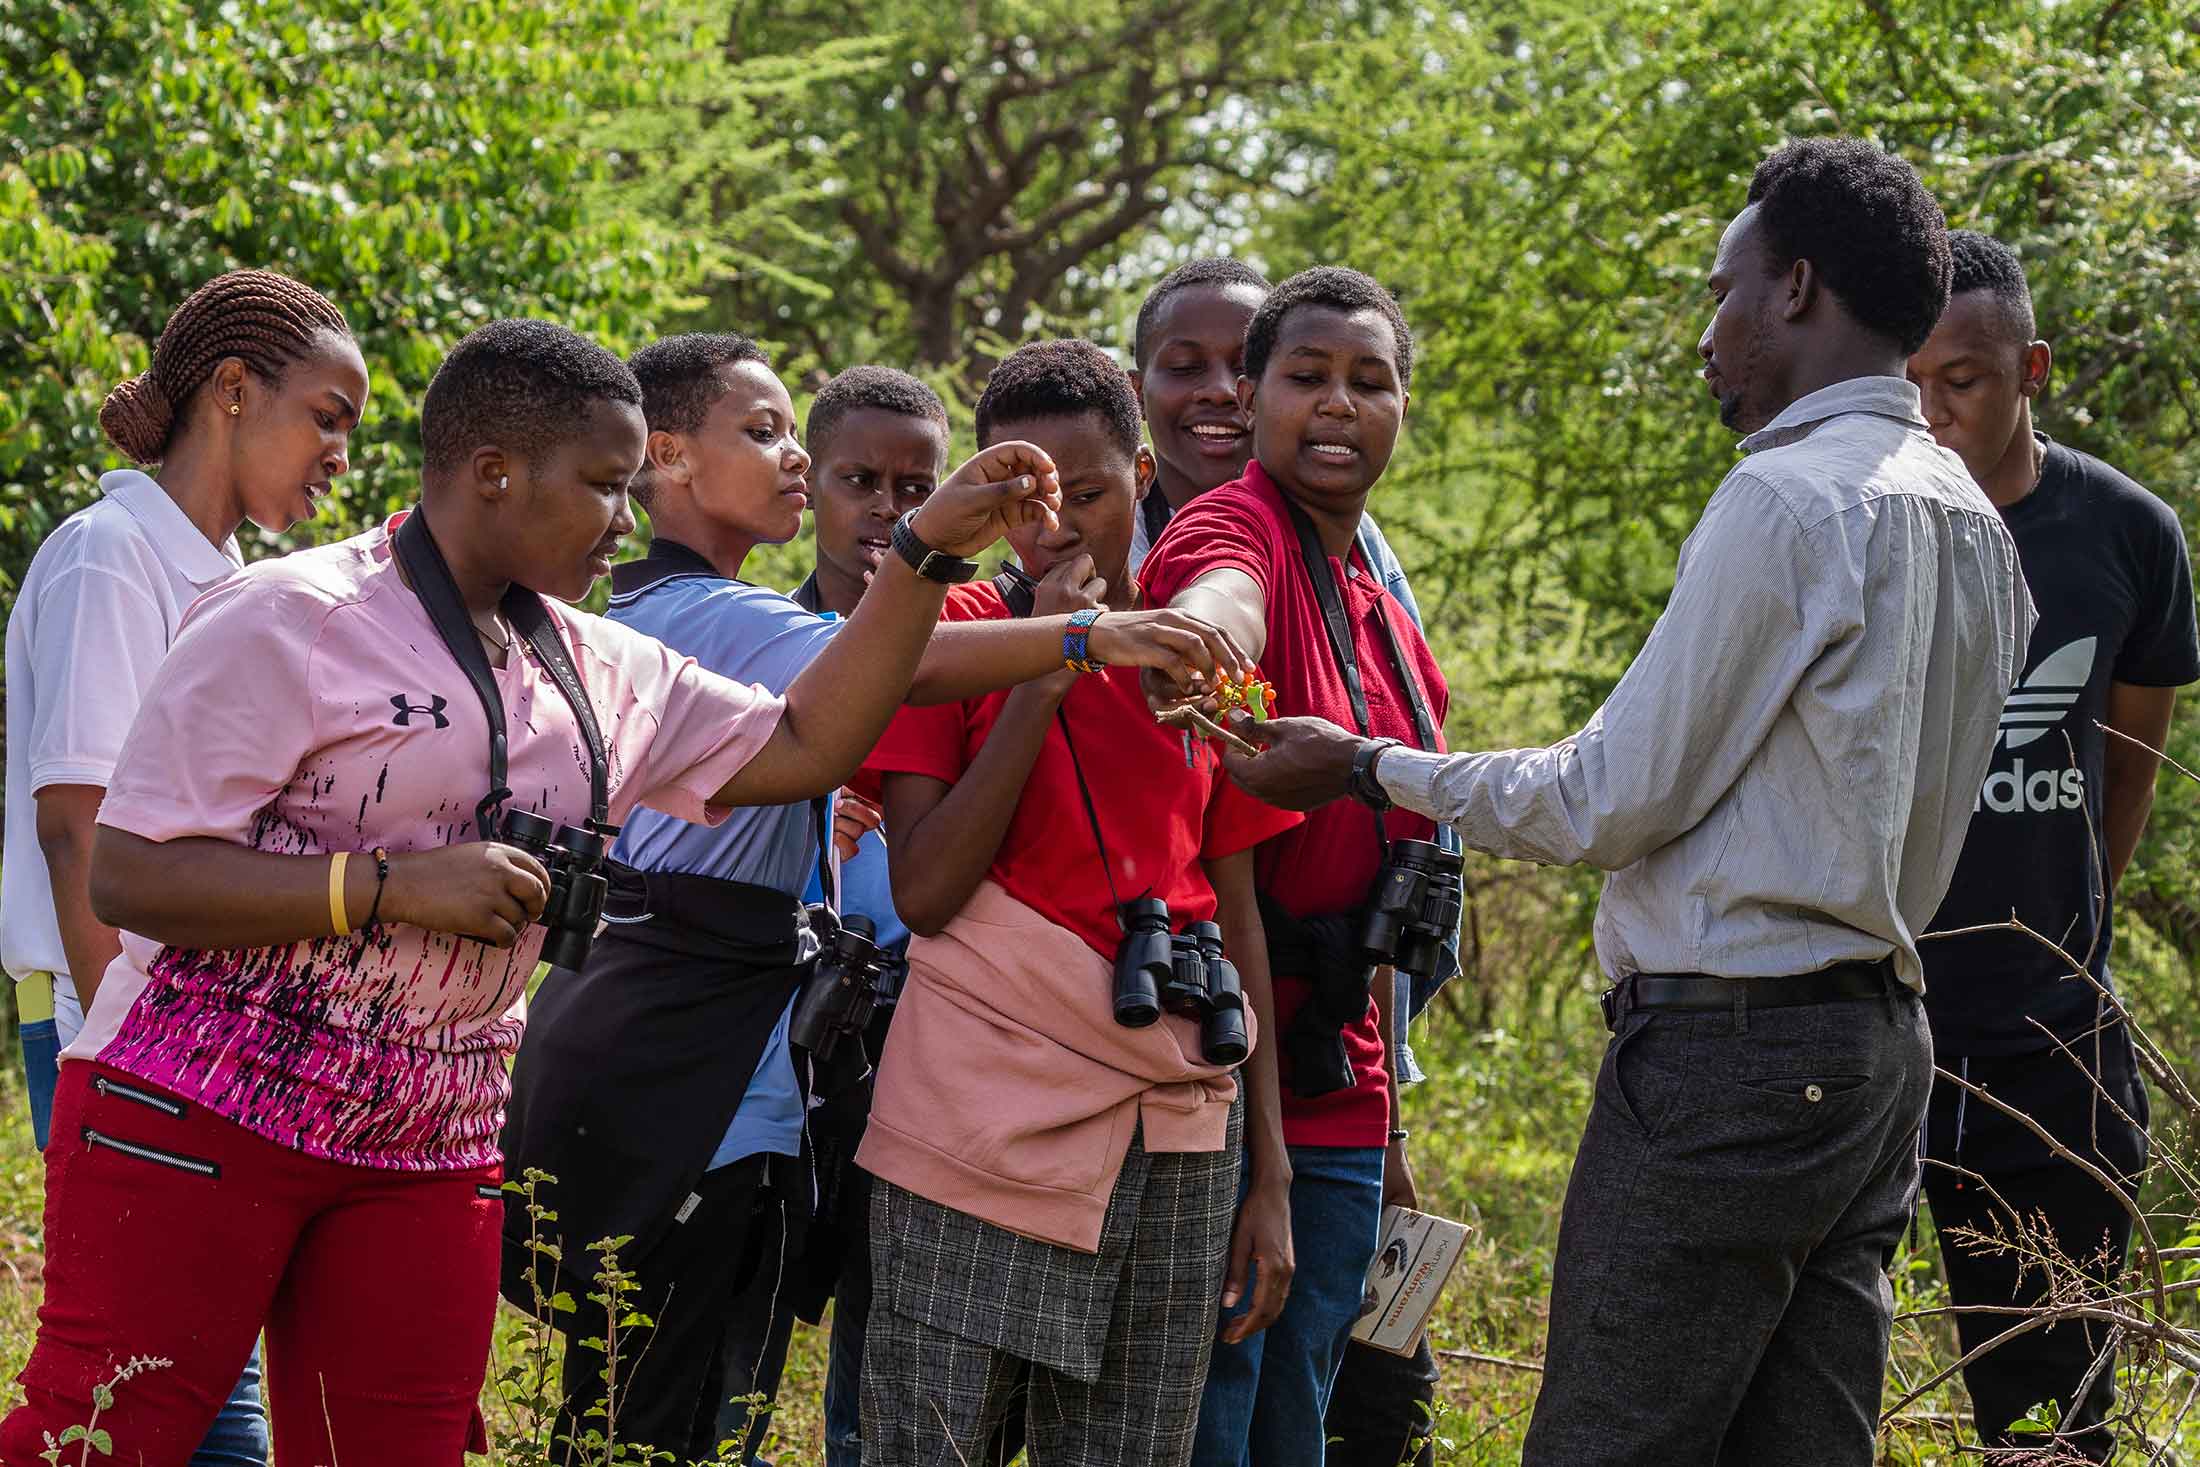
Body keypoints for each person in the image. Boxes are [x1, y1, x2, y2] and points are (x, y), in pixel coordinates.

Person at [0, 316, 1065, 1467]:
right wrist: (388, 886)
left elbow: (809, 739)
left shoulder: (603, 664)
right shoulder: (293, 615)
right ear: (495, 471)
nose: (625, 519)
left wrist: (923, 555)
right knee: (100, 1443)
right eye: (605, 487)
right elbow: (131, 869)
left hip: (431, 1140)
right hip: (202, 1108)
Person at [1216, 139, 2036, 1467]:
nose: (1709, 330)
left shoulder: (1787, 495)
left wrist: (1363, 762)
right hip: (1881, 1043)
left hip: (1733, 1057)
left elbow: (1606, 801)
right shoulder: (1974, 515)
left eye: (1724, 290)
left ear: (1798, 289)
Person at [497, 337, 1245, 1467]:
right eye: (763, 433)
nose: (792, 456)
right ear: (668, 459)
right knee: (659, 1410)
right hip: (696, 1074)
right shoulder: (709, 615)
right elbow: (887, 667)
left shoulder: (704, 611)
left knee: (683, 1399)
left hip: (713, 1067)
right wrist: (1074, 631)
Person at [859, 338, 1301, 1466]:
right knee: (935, 1440)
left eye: (1091, 496)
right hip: (978, 1117)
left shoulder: (1189, 659)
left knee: (1129, 1449)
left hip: (1180, 1137)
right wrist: (1047, 669)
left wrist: (1273, 1175)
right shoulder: (949, 633)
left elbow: (1234, 919)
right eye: (1025, 504)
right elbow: (924, 888)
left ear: (1143, 477)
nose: (1055, 531)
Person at [0, 266, 368, 1467]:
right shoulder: (114, 556)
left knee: (193, 1398)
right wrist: (129, 1052)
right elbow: (81, 827)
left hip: (204, 1051)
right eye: (326, 416)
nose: (338, 458)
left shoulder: (233, 582)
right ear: (229, 389)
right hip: (121, 1042)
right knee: (155, 1408)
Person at [1130, 254, 1451, 1463]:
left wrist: (1389, 1134)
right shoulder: (1239, 527)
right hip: (1227, 1077)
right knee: (1218, 1420)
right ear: (1253, 399)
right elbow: (1220, 600)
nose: (1337, 404)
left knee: (1298, 1419)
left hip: (1345, 1074)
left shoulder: (1370, 581)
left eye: (1370, 381)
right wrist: (1202, 641)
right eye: (1305, 376)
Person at [1908, 231, 2199, 1462]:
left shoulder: (2126, 531)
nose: (1930, 410)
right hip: (1870, 1016)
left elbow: (2124, 765)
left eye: (1961, 380)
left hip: (2048, 1035)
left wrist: (2065, 926)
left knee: (2049, 1404)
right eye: (1908, 380)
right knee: (1807, 1353)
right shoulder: (1864, 526)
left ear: (2030, 369)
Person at [712, 363, 955, 1467]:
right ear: (812, 486)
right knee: (740, 1318)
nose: (889, 510)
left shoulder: (986, 643)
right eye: (860, 478)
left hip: (925, 1026)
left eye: (918, 484)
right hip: (773, 1024)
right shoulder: (756, 640)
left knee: (892, 1318)